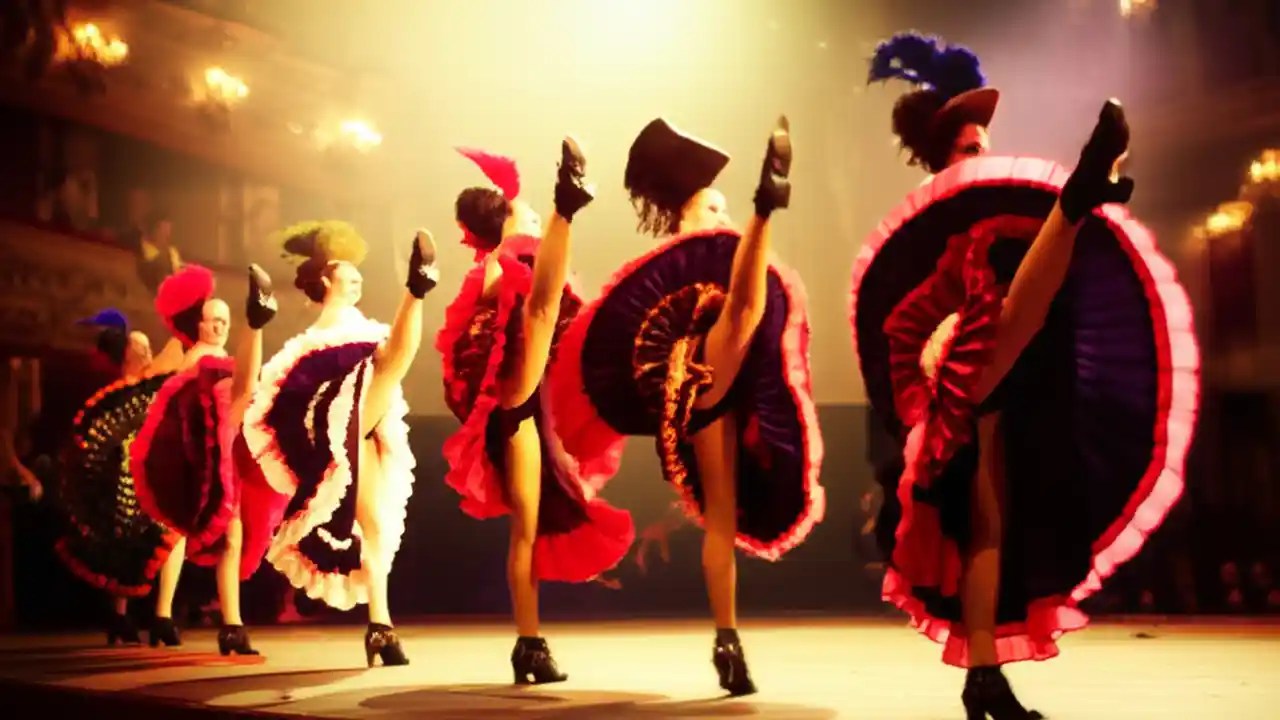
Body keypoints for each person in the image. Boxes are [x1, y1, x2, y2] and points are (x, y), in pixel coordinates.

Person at [851, 32, 1199, 718]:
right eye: (968, 150)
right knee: (986, 500)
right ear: (939, 159)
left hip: (1005, 369)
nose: (982, 157)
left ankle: (984, 676)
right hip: (950, 366)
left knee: (989, 525)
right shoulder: (933, 230)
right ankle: (1077, 195)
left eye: (983, 147)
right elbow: (905, 325)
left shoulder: (996, 227)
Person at [547, 116, 824, 696]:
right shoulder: (675, 269)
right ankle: (766, 207)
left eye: (726, 209)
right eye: (713, 208)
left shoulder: (721, 269)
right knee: (741, 313)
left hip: (725, 393)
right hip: (682, 361)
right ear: (684, 217)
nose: (716, 217)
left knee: (720, 515)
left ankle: (727, 638)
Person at [437, 139, 633, 684]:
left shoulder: (514, 261)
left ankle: (529, 641)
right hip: (514, 404)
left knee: (534, 523)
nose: (530, 222)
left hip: (530, 402)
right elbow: (532, 309)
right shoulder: (502, 263)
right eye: (525, 214)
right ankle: (528, 642)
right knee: (525, 529)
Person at [242, 221, 438, 666]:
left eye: (359, 277)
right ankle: (417, 289)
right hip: (331, 412)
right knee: (390, 362)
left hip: (365, 422)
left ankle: (381, 627)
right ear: (326, 279)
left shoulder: (362, 327)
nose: (358, 282)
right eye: (350, 276)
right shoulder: (316, 341)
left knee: (375, 524)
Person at [131, 264, 280, 655]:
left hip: (225, 457)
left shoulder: (229, 361)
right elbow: (155, 387)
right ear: (198, 324)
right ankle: (162, 615)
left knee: (232, 536)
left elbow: (245, 397)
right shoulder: (185, 354)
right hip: (191, 457)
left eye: (224, 321)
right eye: (212, 320)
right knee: (174, 534)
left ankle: (232, 625)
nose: (217, 327)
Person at [52, 307, 184, 646]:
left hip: (149, 481)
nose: (145, 352)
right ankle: (126, 616)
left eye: (146, 347)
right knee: (125, 546)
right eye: (139, 348)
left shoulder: (144, 392)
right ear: (128, 355)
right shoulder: (123, 399)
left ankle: (160, 616)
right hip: (124, 487)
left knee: (168, 537)